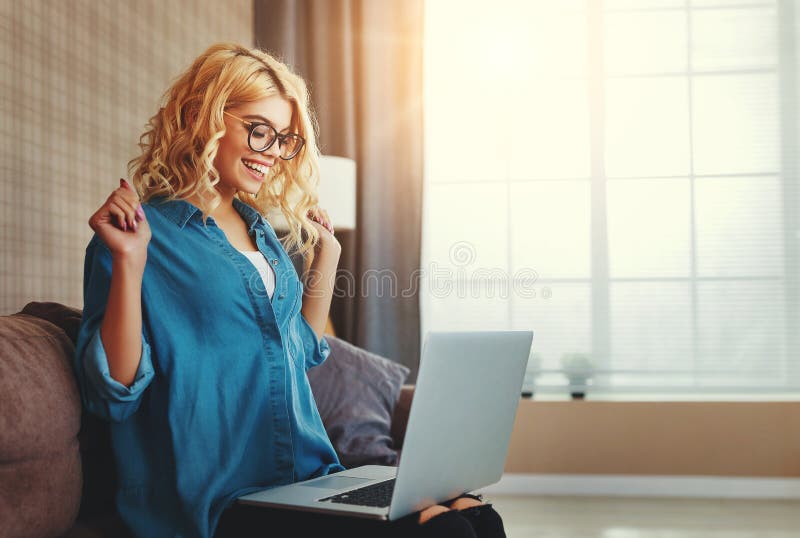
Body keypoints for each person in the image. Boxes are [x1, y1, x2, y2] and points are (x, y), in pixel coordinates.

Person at [73, 42, 506, 538]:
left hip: (307, 476)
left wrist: (328, 256)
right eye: (259, 130)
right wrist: (129, 263)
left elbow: (299, 350)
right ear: (200, 116)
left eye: (284, 139)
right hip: (220, 497)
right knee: (446, 532)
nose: (273, 153)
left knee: (476, 514)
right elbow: (114, 391)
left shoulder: (262, 234)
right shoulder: (139, 237)